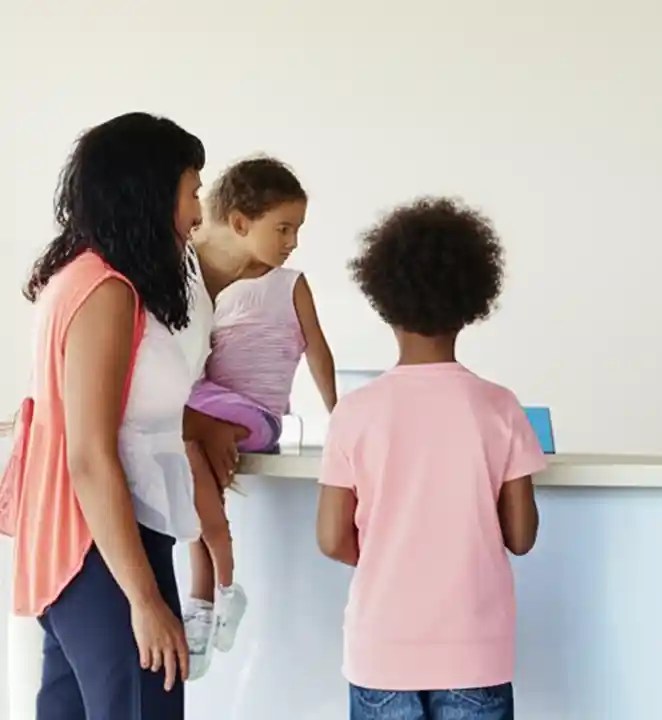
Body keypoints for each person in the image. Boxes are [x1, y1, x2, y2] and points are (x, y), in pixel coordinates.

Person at [4, 112, 243, 719]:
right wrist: (143, 598)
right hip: (99, 544)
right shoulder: (105, 291)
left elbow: (127, 407)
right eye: (192, 193)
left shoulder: (89, 278)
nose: (197, 212)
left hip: (105, 538)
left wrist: (199, 422)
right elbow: (88, 453)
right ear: (151, 194)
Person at [316, 197, 543, 720]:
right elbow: (522, 536)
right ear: (470, 304)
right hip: (474, 654)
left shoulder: (355, 412)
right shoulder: (499, 407)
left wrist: (393, 553)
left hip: (381, 651)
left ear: (385, 302)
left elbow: (331, 539)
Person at [181, 156, 338, 680]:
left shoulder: (289, 283)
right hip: (209, 405)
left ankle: (225, 584)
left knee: (187, 441)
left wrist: (339, 416)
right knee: (190, 471)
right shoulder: (200, 280)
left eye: (296, 229)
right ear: (242, 223)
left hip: (256, 417)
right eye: (284, 228)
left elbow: (318, 351)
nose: (292, 240)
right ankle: (204, 603)